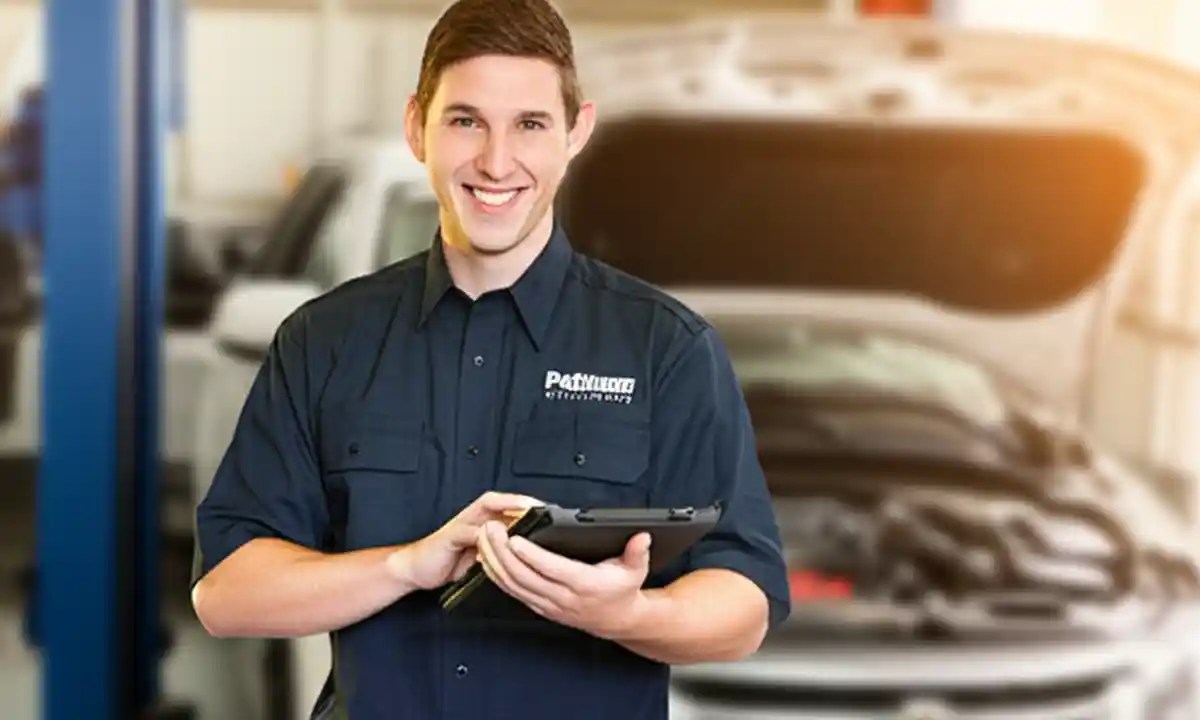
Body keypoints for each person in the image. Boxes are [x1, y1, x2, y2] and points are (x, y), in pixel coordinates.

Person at [189, 0, 791, 717]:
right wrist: (405, 565)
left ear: (576, 133)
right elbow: (226, 594)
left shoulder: (666, 348)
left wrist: (624, 615)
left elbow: (744, 603)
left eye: (529, 124)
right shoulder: (325, 341)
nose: (496, 162)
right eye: (465, 121)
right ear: (417, 127)